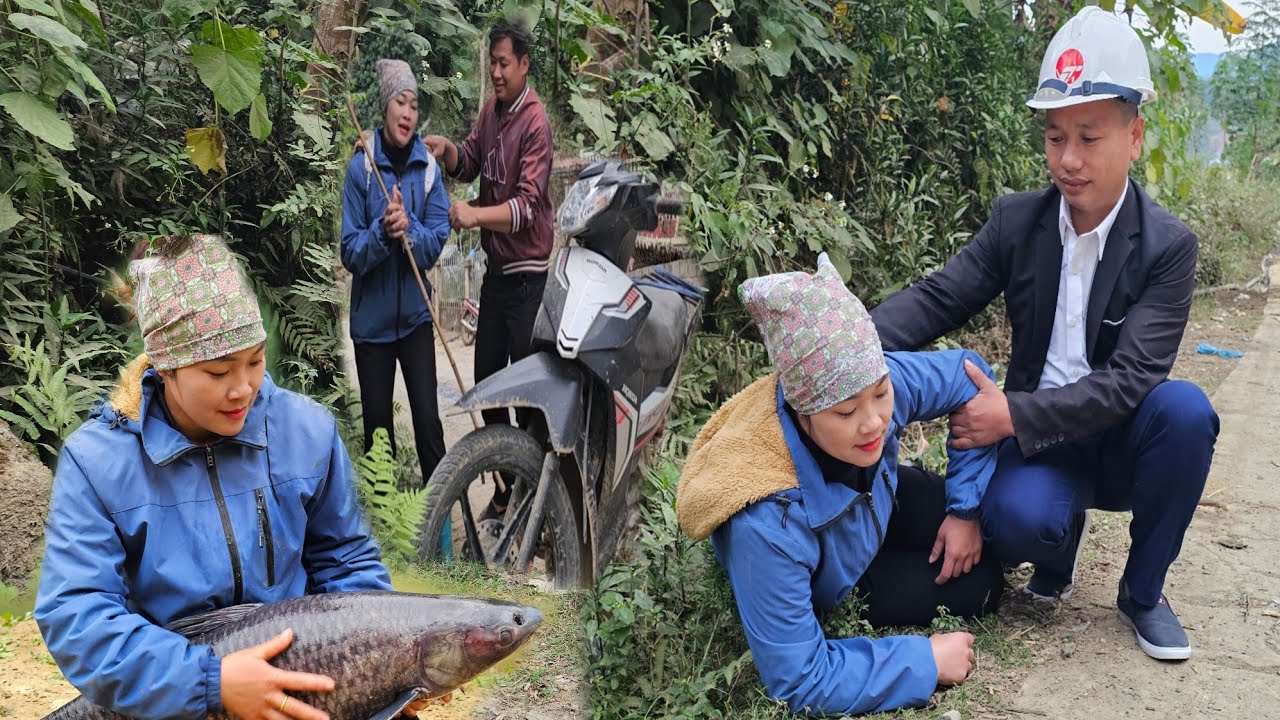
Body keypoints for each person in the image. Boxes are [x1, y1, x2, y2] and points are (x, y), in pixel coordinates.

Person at [870, 6, 1220, 661]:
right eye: (1056, 137)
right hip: (1041, 444)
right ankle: (1059, 537)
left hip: (1118, 441)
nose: (1068, 159)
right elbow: (939, 298)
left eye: (1089, 137)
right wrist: (847, 349)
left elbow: (1130, 381)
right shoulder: (1018, 222)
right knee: (1020, 523)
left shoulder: (1168, 246)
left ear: (1134, 135)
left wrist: (1010, 414)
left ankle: (1143, 593)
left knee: (1186, 412)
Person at [35, 235, 434, 719]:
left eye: (254, 361)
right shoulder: (97, 463)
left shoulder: (305, 432)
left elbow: (345, 563)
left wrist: (390, 664)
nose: (243, 388)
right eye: (219, 371)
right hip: (166, 697)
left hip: (299, 687)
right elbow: (79, 617)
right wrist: (211, 681)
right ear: (166, 368)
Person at [675, 254, 1004, 715]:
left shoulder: (866, 378)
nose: (873, 423)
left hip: (875, 503)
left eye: (881, 395)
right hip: (831, 570)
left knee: (995, 528)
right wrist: (924, 661)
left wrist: (964, 509)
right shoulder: (766, 520)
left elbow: (969, 377)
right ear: (801, 410)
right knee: (983, 586)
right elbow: (799, 679)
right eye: (845, 413)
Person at [422, 18, 554, 518]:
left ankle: (535, 500)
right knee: (488, 389)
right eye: (491, 64)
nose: (496, 73)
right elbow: (470, 162)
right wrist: (447, 150)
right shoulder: (493, 112)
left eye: (503, 64)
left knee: (524, 393)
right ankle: (505, 489)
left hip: (528, 280)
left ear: (524, 64)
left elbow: (524, 207)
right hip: (497, 278)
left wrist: (475, 214)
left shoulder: (536, 122)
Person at [341, 58, 451, 484]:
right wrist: (383, 231)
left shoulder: (428, 170)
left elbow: (435, 242)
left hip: (417, 321)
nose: (408, 113)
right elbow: (351, 252)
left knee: (429, 426)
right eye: (400, 103)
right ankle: (386, 534)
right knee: (378, 438)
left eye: (414, 105)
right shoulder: (362, 170)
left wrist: (409, 230)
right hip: (371, 328)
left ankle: (440, 535)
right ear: (385, 107)